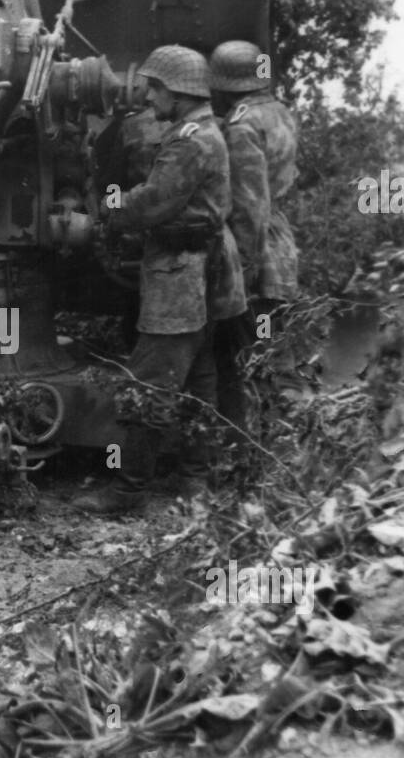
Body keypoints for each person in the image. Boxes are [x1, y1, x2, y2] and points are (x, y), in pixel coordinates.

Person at [80, 45, 246, 516]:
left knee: (149, 382)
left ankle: (129, 492)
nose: (148, 98)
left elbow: (153, 202)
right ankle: (196, 484)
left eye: (154, 88)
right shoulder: (203, 131)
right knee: (200, 380)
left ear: (174, 90)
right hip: (207, 272)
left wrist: (108, 210)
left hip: (181, 273)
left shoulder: (189, 138)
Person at [209, 40, 299, 442]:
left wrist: (239, 275)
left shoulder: (242, 125)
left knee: (241, 361)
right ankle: (273, 446)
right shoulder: (278, 112)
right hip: (280, 247)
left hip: (257, 260)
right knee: (268, 353)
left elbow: (247, 207)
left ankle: (247, 454)